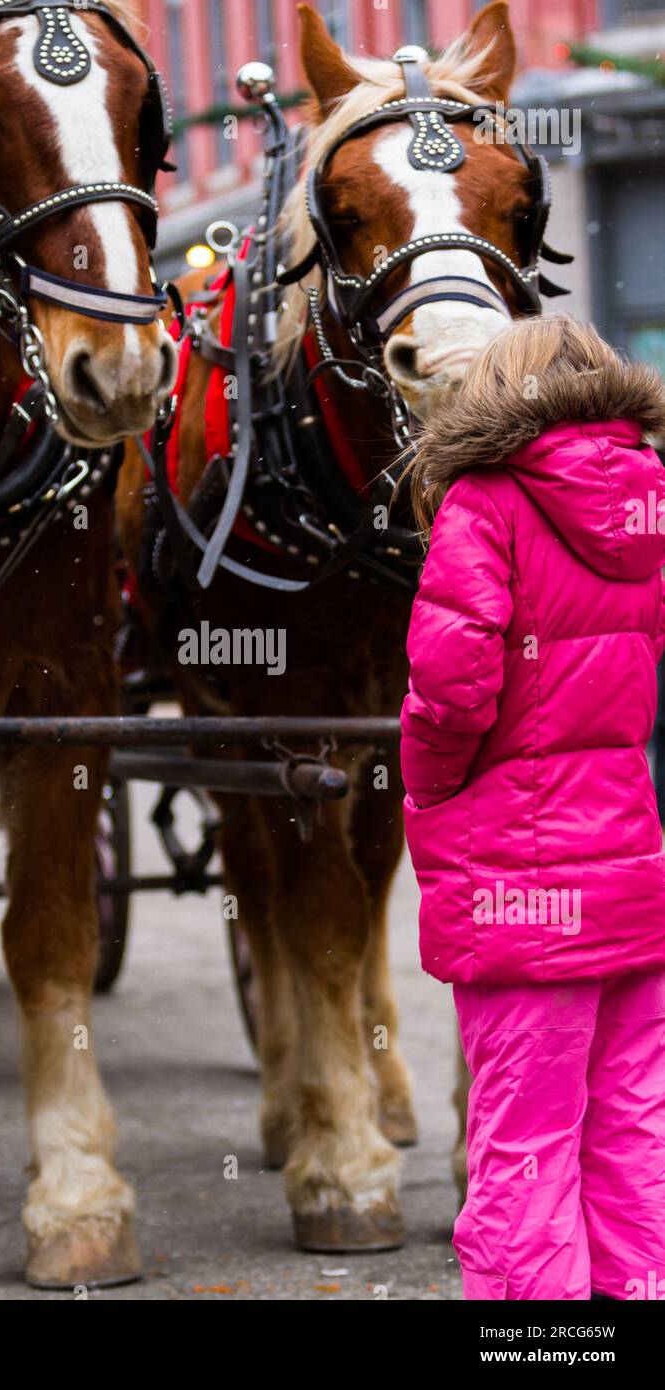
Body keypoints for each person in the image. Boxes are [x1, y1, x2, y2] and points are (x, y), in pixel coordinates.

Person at [401, 314, 665, 1301]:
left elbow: (451, 685)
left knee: (521, 1137)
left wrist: (429, 785)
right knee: (632, 1123)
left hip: (518, 881)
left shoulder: (486, 503)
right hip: (627, 865)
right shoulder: (647, 499)